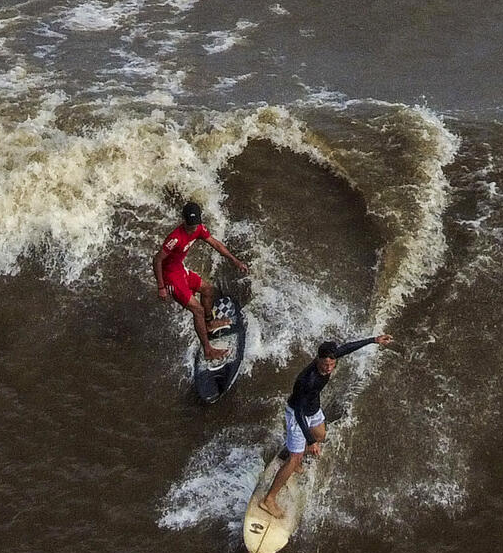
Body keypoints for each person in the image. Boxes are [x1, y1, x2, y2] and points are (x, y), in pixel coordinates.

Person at [261, 333, 395, 518]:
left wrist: (374, 340)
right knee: (296, 459)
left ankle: (292, 450)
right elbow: (299, 413)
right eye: (325, 365)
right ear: (317, 360)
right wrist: (310, 441)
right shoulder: (305, 381)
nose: (329, 368)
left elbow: (347, 348)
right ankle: (269, 499)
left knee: (321, 436)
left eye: (332, 364)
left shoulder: (330, 357)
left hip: (313, 409)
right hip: (298, 415)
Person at [152, 201, 250, 364]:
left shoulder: (198, 229)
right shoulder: (174, 238)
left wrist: (236, 261)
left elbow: (216, 244)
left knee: (208, 290)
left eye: (194, 225)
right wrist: (161, 287)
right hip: (171, 278)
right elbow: (157, 260)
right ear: (183, 220)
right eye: (189, 225)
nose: (192, 229)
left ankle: (209, 323)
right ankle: (208, 350)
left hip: (181, 271)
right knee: (197, 309)